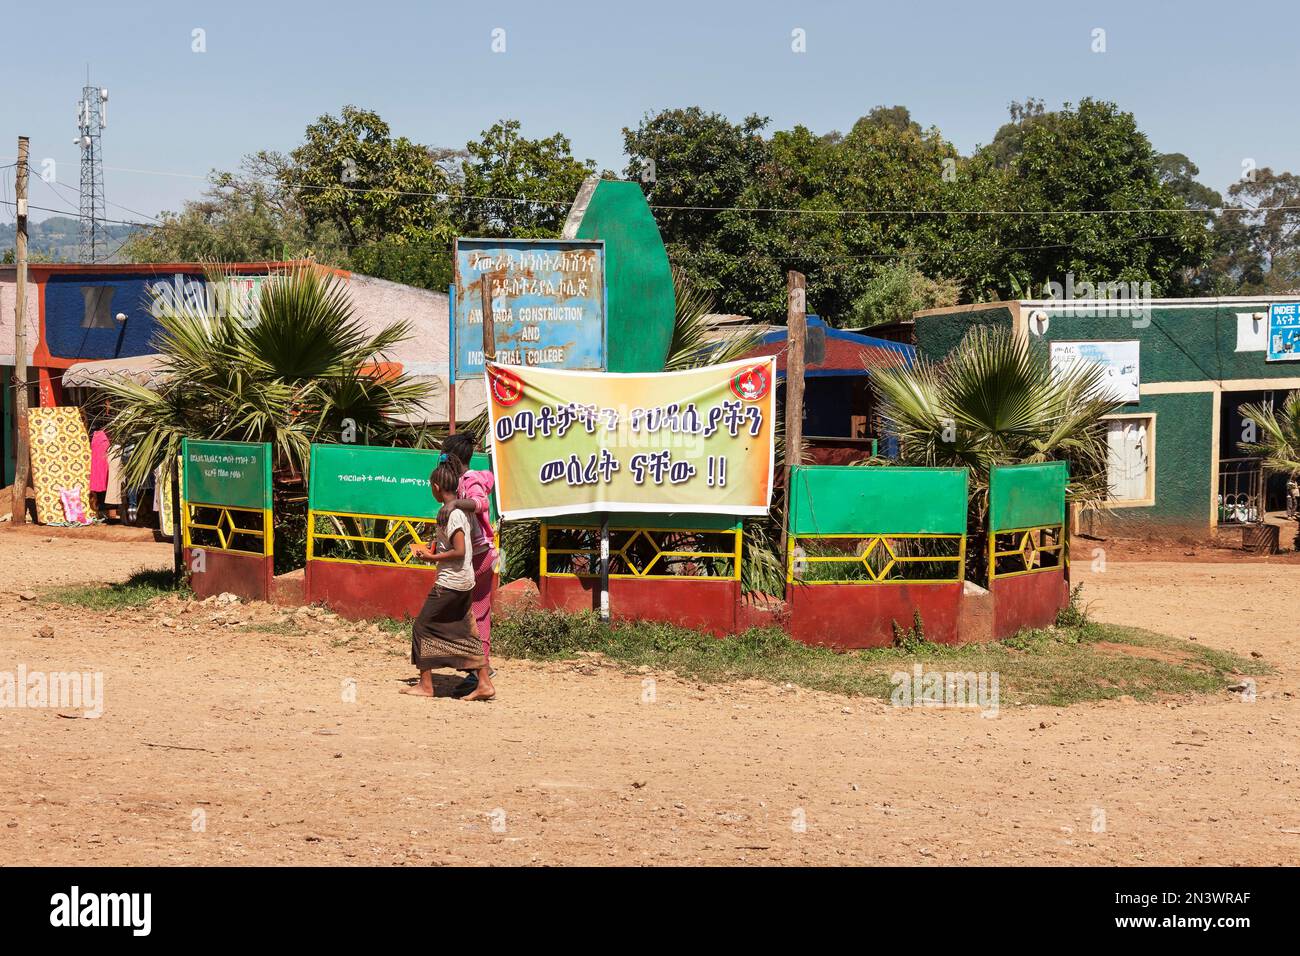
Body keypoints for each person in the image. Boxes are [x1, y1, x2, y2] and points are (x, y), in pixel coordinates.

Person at [404, 462, 496, 701]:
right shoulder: (457, 511)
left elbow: (459, 550)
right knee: (466, 632)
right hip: (463, 580)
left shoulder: (453, 514)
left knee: (422, 627)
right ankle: (484, 683)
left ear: (436, 487)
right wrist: (434, 549)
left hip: (451, 582)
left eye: (430, 487)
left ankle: (426, 685)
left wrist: (432, 557)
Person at [442, 434, 497, 696]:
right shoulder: (464, 480)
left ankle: (479, 671)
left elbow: (481, 503)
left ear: (452, 459)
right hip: (482, 553)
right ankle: (480, 671)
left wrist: (454, 502)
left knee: (467, 612)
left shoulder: (469, 480)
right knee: (478, 612)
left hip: (479, 555)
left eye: (443, 457)